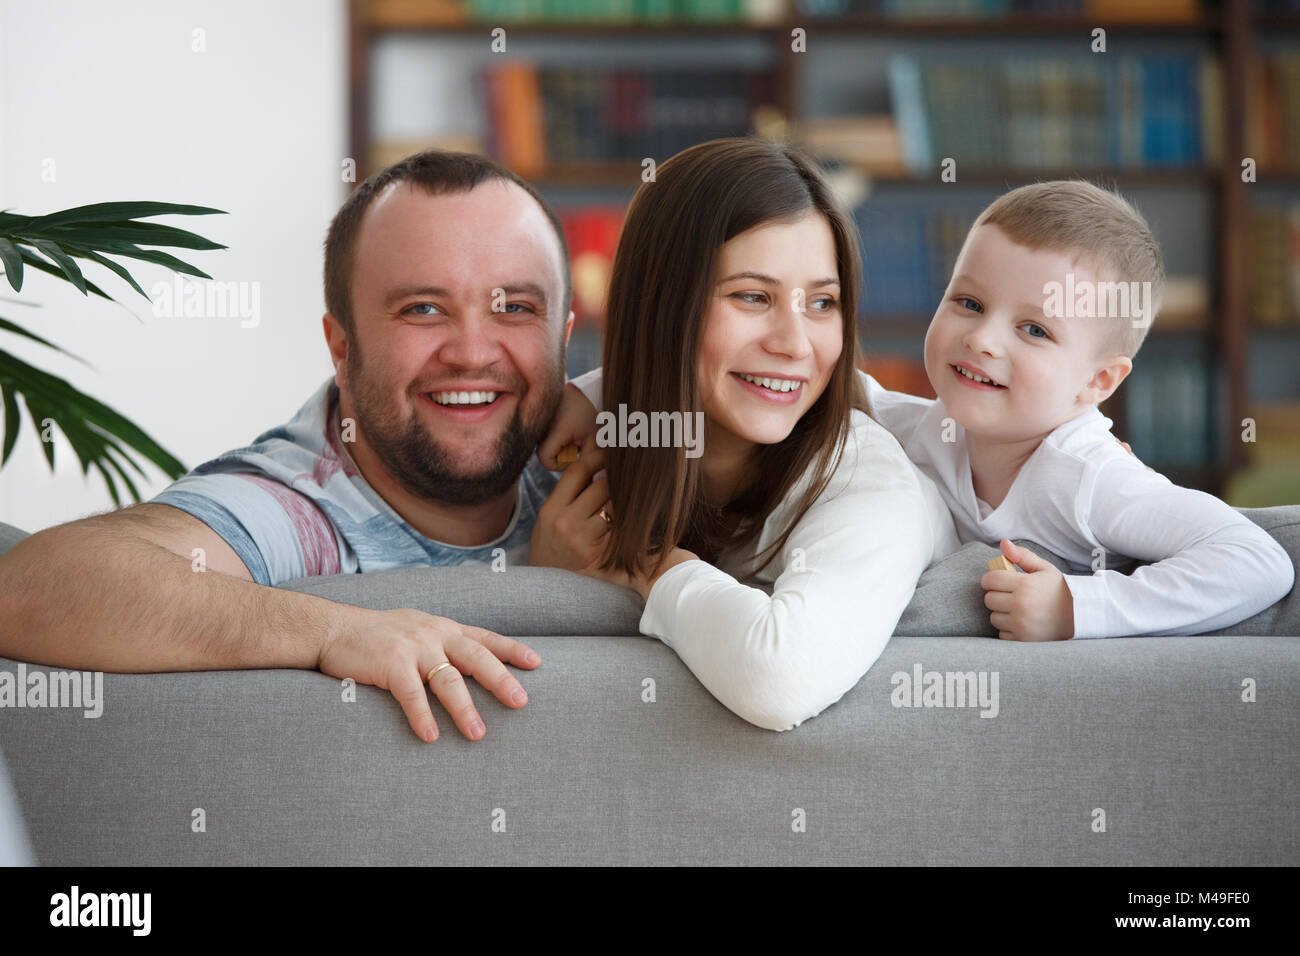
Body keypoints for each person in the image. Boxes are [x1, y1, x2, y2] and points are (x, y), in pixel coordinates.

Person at [0, 150, 576, 743]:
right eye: (422, 309)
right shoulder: (297, 508)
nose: (472, 352)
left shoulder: (604, 460)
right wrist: (332, 631)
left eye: (514, 308)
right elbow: (28, 590)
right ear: (342, 349)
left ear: (562, 338)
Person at [531, 138, 961, 732]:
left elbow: (780, 679)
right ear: (664, 308)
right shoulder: (605, 443)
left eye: (822, 302)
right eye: (753, 296)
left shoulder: (868, 475)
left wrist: (638, 564)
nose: (794, 342)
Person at [862, 180, 1293, 639]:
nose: (981, 339)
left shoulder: (1090, 478)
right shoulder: (921, 428)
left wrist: (1076, 606)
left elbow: (1258, 559)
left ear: (1098, 381)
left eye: (1034, 329)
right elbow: (843, 392)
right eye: (969, 303)